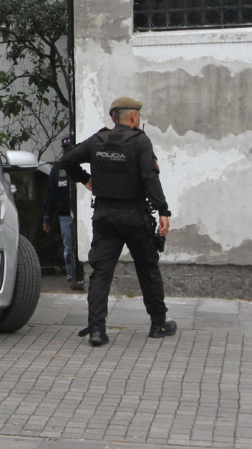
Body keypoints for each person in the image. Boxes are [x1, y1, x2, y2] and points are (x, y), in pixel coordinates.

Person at [59, 96, 175, 347]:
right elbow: (150, 178)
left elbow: (66, 160)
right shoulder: (139, 141)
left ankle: (97, 330)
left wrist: (85, 179)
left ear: (114, 118)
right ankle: (158, 323)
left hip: (105, 217)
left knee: (101, 273)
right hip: (135, 217)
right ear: (132, 117)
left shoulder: (97, 140)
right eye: (138, 116)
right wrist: (162, 210)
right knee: (147, 270)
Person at [43, 135, 83, 291]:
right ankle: (71, 277)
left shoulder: (81, 165)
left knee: (82, 246)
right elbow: (50, 193)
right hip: (65, 215)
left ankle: (82, 275)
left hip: (81, 215)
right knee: (68, 248)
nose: (67, 153)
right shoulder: (58, 169)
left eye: (70, 150)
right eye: (65, 150)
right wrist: (47, 217)